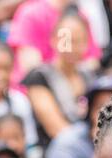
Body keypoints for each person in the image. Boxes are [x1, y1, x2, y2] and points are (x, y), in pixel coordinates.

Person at [20, 8, 96, 146]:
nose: (72, 47)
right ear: (53, 39)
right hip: (56, 150)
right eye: (67, 40)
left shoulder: (90, 76)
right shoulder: (39, 77)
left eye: (79, 41)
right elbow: (56, 129)